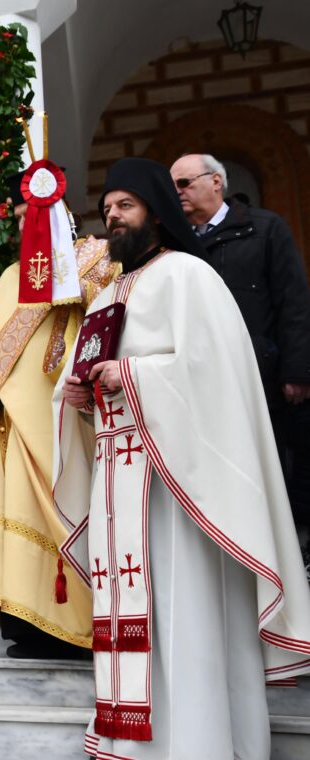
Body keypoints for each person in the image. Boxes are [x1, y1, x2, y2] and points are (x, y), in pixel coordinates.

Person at [54, 157, 310, 758]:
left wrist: (131, 375)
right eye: (107, 209)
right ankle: (133, 743)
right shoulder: (107, 294)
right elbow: (90, 379)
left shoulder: (189, 275)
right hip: (119, 480)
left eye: (126, 205)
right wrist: (77, 396)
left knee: (185, 614)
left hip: (179, 486)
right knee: (133, 611)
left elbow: (213, 374)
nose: (113, 218)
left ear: (157, 213)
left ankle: (199, 744)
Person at [0, 166, 116, 659]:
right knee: (18, 514)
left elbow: (111, 311)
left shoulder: (90, 260)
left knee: (69, 506)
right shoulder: (8, 278)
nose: (23, 228)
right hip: (16, 420)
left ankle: (78, 624)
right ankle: (26, 624)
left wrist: (74, 283)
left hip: (64, 416)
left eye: (32, 217)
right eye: (17, 220)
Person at [169, 153, 310, 569]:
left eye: (184, 183)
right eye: (172, 186)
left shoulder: (265, 228)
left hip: (265, 378)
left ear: (216, 182)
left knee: (280, 469)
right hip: (205, 383)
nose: (177, 193)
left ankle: (294, 556)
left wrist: (297, 371)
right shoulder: (176, 241)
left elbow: (293, 302)